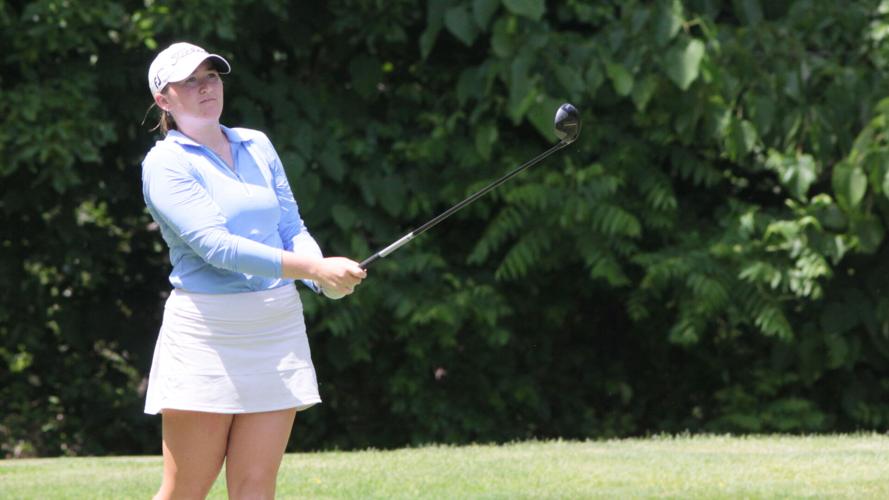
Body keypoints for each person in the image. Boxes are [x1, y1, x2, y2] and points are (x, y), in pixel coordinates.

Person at [140, 42, 366, 499]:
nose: (205, 87)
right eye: (189, 81)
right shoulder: (165, 163)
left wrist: (319, 278)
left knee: (256, 486)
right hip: (207, 331)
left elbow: (290, 226)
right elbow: (218, 248)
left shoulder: (256, 143)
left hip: (274, 323)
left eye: (212, 77)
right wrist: (313, 268)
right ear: (164, 99)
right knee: (186, 489)